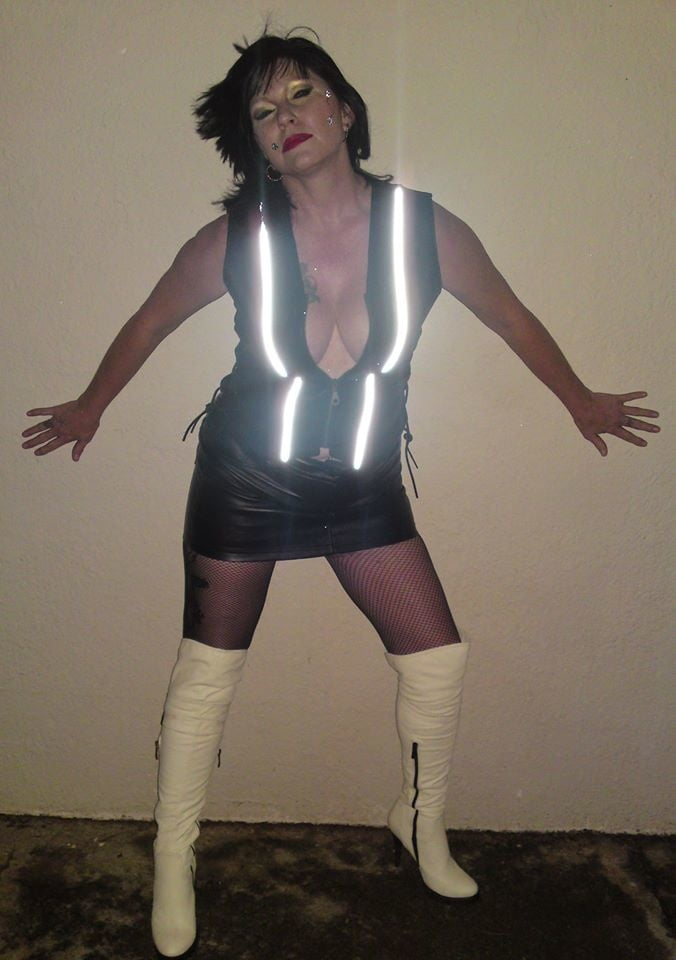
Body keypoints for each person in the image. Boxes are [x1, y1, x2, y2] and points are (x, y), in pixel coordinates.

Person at [21, 30, 660, 959]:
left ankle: (420, 822)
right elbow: (150, 321)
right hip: (243, 481)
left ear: (345, 109)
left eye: (301, 94)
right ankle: (173, 855)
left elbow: (510, 316)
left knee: (436, 658)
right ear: (254, 142)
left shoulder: (427, 230)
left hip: (361, 485)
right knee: (208, 670)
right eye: (263, 111)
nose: (285, 118)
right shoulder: (233, 239)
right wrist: (90, 405)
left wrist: (579, 400)